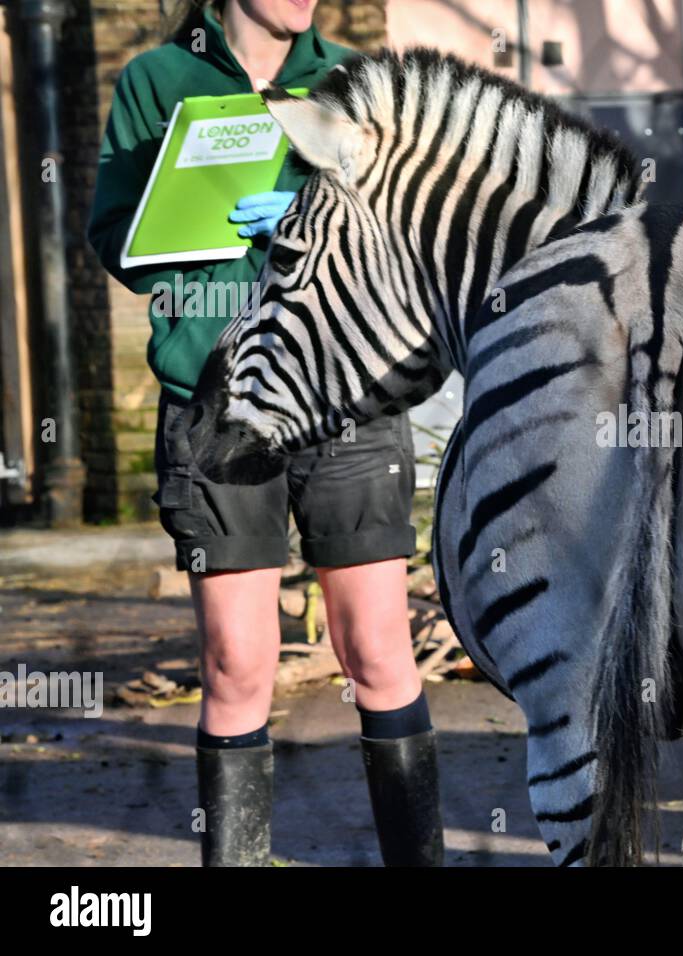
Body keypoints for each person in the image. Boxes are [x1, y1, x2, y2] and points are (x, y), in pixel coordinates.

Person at [87, 0, 442, 867]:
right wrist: (183, 220)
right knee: (238, 665)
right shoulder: (155, 81)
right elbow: (113, 239)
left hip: (345, 393)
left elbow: (408, 234)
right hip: (218, 405)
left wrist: (311, 206)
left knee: (379, 652)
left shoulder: (358, 82)